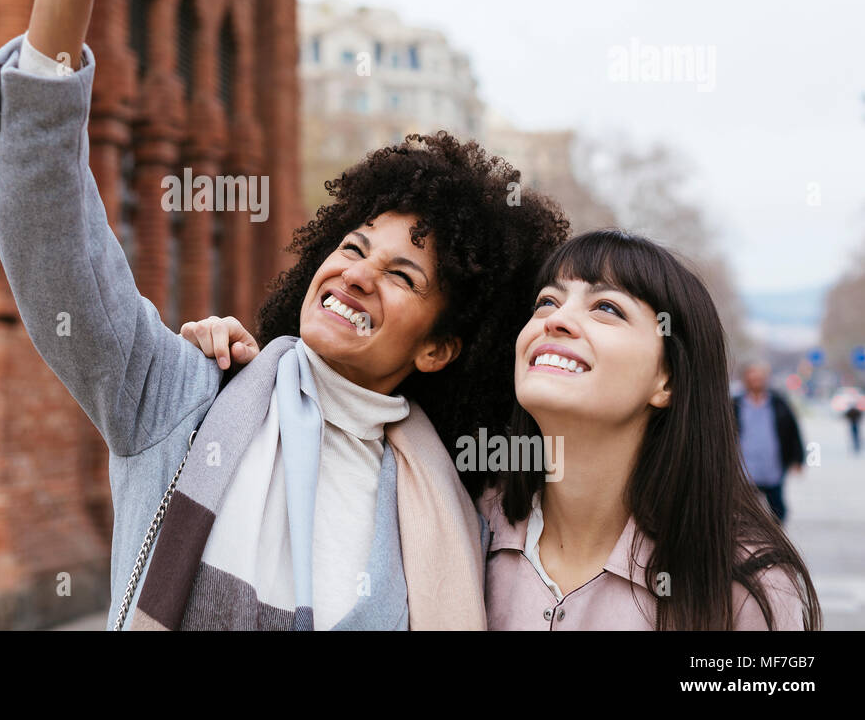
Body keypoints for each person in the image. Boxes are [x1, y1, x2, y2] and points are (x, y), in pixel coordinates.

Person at [0, 0, 569, 630]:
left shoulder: (456, 511)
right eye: (355, 245)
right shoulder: (183, 399)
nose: (358, 271)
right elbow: (47, 231)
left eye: (403, 275)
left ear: (440, 346)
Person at [184, 230, 822, 629]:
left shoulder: (747, 587)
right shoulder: (453, 524)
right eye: (548, 301)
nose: (558, 320)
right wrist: (245, 374)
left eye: (605, 308)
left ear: (668, 381)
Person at [733, 361, 805, 524]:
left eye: (760, 377)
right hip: (744, 470)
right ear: (745, 380)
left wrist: (798, 459)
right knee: (744, 515)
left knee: (779, 511)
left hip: (773, 468)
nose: (756, 380)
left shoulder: (779, 403)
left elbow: (793, 431)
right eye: (752, 377)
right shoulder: (734, 404)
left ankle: (775, 542)